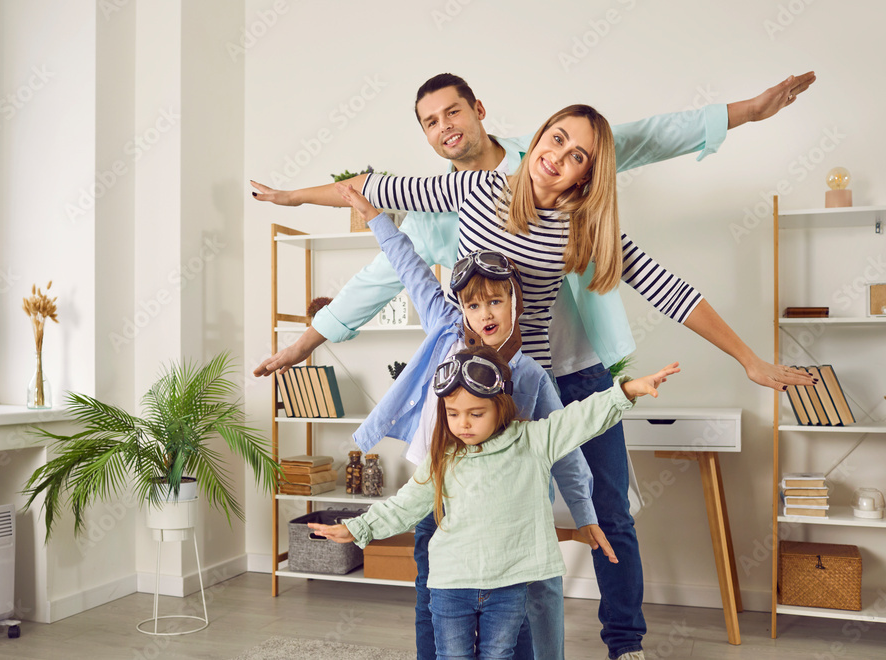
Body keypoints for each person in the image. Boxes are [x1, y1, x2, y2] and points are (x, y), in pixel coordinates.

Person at [252, 94, 817, 660]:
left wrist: (748, 358)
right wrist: (290, 197)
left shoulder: (582, 228)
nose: (559, 157)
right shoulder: (474, 189)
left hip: (536, 381)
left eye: (578, 156)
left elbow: (669, 288)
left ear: (587, 173)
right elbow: (376, 195)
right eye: (557, 140)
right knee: (441, 517)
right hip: (475, 381)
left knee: (583, 518)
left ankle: (622, 645)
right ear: (539, 136)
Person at [336, 180, 613, 660]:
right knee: (433, 595)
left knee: (522, 608)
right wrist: (376, 218)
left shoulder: (530, 376)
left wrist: (585, 517)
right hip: (438, 493)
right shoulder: (445, 329)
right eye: (473, 304)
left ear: (515, 302)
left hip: (509, 511)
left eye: (495, 301)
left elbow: (564, 450)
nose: (484, 314)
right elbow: (410, 267)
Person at [308, 346, 680, 660]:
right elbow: (403, 505)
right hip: (451, 586)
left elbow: (580, 419)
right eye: (453, 414)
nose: (463, 424)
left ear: (500, 406)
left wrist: (625, 392)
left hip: (509, 587)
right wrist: (357, 527)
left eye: (476, 414)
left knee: (499, 655)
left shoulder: (533, 441)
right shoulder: (443, 458)